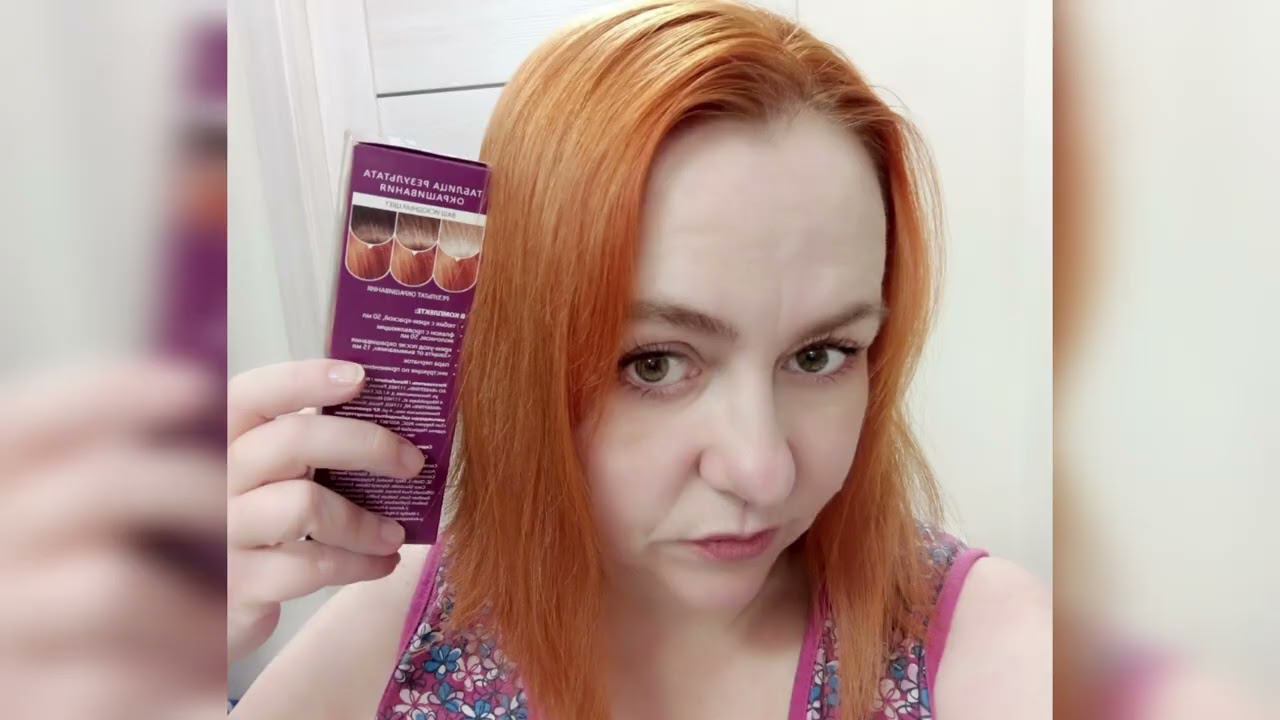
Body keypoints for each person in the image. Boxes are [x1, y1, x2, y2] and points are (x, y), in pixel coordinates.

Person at [227, 2, 1049, 718]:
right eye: (653, 364)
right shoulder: (395, 638)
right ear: (522, 355)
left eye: (820, 354)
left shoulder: (978, 642)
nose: (761, 472)